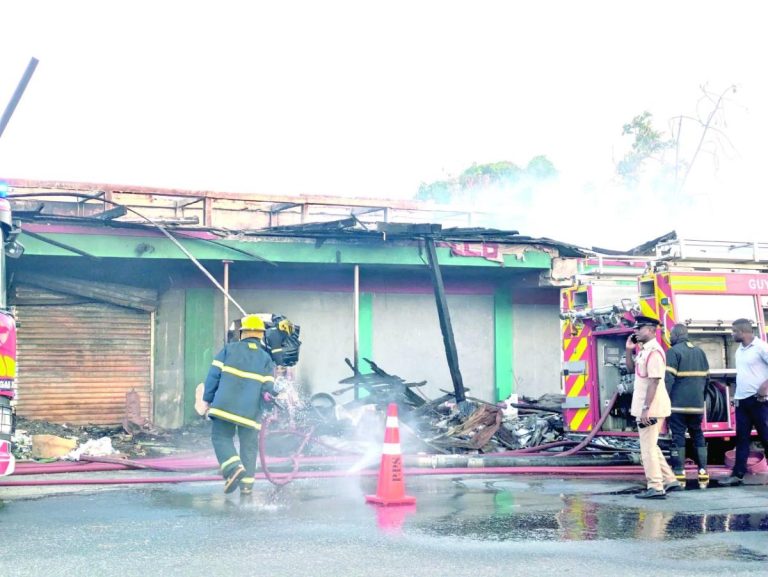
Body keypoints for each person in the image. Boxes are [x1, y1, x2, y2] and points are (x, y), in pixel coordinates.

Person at [201, 314, 277, 495]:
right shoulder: (266, 359)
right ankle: (247, 487)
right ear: (260, 335)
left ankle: (233, 467)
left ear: (242, 333)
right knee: (249, 446)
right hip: (251, 413)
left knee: (221, 438)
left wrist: (207, 398)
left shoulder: (228, 350)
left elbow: (213, 376)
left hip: (225, 407)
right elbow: (268, 390)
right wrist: (267, 409)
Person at [625, 315, 681, 499]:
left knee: (647, 448)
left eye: (639, 328)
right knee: (652, 445)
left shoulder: (655, 352)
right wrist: (628, 350)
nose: (635, 331)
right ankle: (670, 480)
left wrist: (646, 408)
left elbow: (654, 382)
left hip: (651, 407)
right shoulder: (644, 351)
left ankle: (656, 486)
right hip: (647, 406)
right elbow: (632, 370)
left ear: (650, 329)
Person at [719, 319, 768, 486]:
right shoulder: (740, 350)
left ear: (743, 331)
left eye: (734, 331)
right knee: (741, 439)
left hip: (759, 401)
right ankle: (737, 474)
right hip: (742, 400)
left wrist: (764, 387)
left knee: (766, 437)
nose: (732, 334)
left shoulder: (761, 347)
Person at [664, 324, 711, 489]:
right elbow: (707, 380)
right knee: (698, 434)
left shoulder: (673, 352)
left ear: (677, 335)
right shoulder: (700, 352)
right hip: (697, 405)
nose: (669, 338)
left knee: (678, 436)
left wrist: (663, 399)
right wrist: (702, 400)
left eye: (671, 335)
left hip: (678, 405)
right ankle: (703, 471)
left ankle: (679, 472)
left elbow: (668, 379)